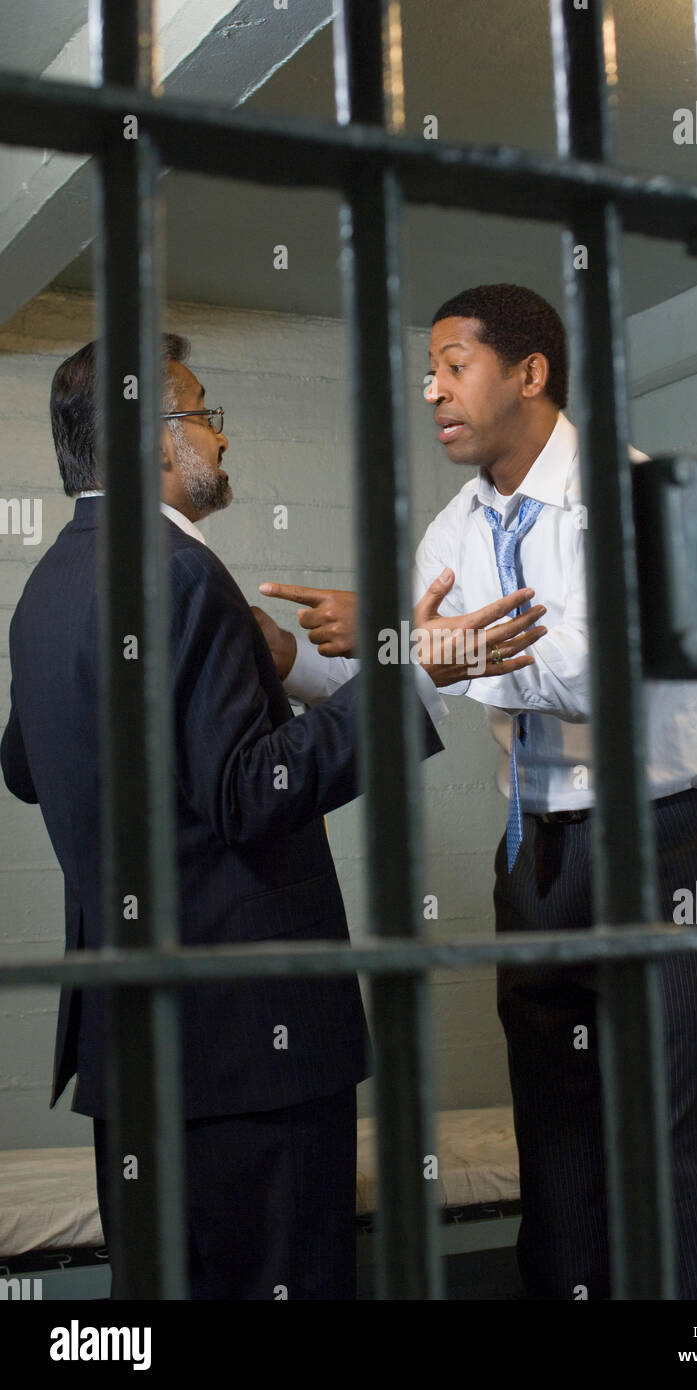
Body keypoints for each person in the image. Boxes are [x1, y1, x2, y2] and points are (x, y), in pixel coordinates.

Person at [0, 333, 543, 1301]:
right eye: (203, 412)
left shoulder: (48, 587)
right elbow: (254, 793)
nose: (219, 436)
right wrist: (410, 671)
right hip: (249, 1047)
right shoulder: (175, 575)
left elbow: (28, 771)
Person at [258, 283, 697, 1301]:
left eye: (453, 364)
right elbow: (404, 672)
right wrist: (280, 657)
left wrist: (416, 641)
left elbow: (590, 669)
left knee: (680, 1133)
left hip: (662, 844)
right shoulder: (453, 529)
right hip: (531, 853)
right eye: (429, 370)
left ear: (528, 373)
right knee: (557, 1138)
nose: (430, 388)